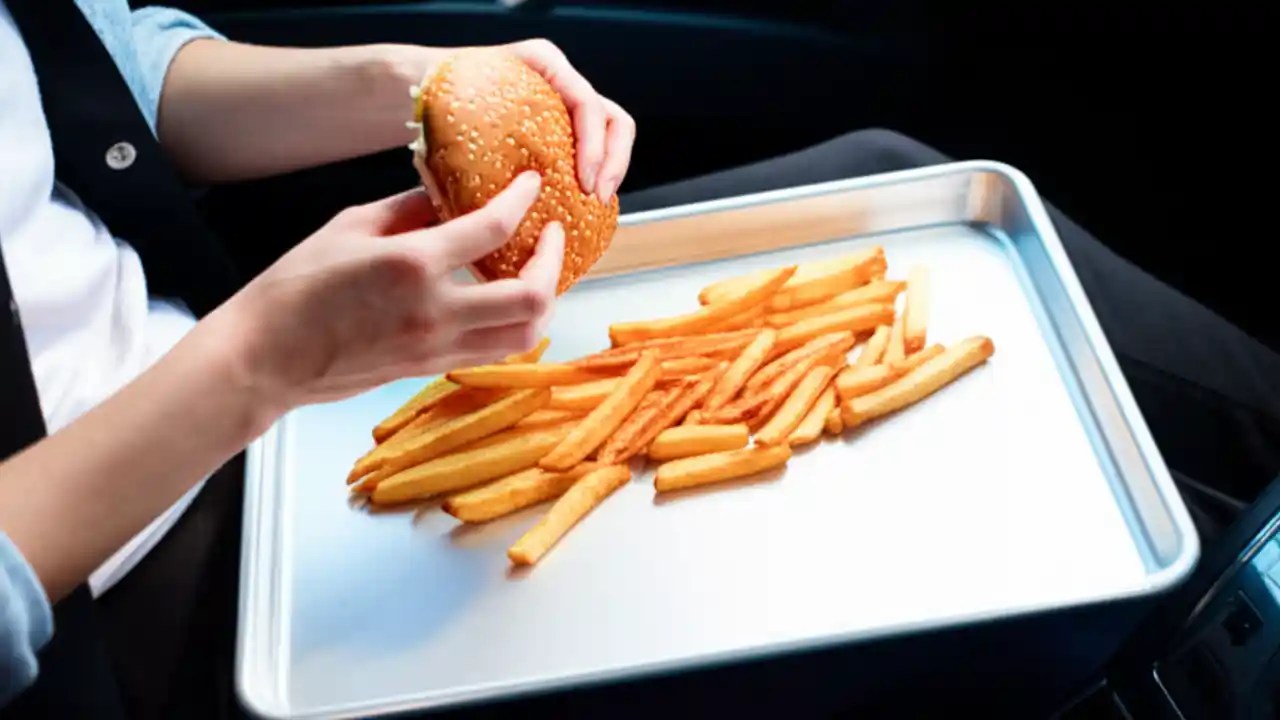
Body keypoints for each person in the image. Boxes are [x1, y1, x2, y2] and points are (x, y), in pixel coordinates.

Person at [0, 1, 633, 717]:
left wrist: (431, 85)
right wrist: (262, 362)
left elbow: (100, 75)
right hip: (93, 603)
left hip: (234, 404)